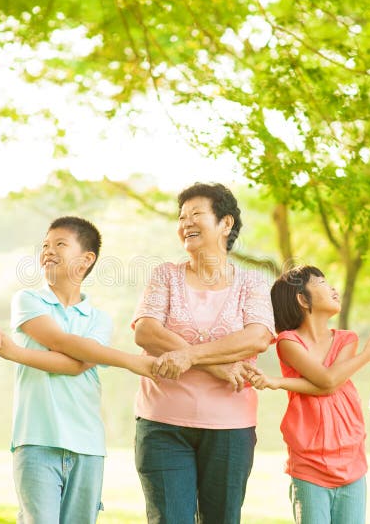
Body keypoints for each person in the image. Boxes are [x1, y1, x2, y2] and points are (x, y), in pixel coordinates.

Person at [0, 216, 157, 524]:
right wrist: (131, 361)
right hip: (36, 441)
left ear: (86, 259)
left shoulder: (99, 318)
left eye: (60, 244)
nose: (48, 250)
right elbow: (59, 340)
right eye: (46, 245)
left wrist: (16, 353)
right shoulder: (28, 299)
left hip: (87, 446)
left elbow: (78, 364)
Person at [131, 182, 275, 524]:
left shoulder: (252, 283)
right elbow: (146, 331)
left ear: (225, 224)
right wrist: (218, 365)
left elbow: (257, 337)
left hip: (230, 428)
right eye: (181, 217)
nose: (185, 223)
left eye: (196, 214)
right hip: (163, 423)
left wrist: (191, 357)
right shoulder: (165, 275)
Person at [249, 266, 370, 524]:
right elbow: (328, 380)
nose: (332, 288)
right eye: (322, 283)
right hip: (309, 462)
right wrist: (368, 355)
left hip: (350, 456)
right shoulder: (288, 342)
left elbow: (329, 384)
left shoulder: (347, 339)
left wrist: (279, 382)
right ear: (302, 299)